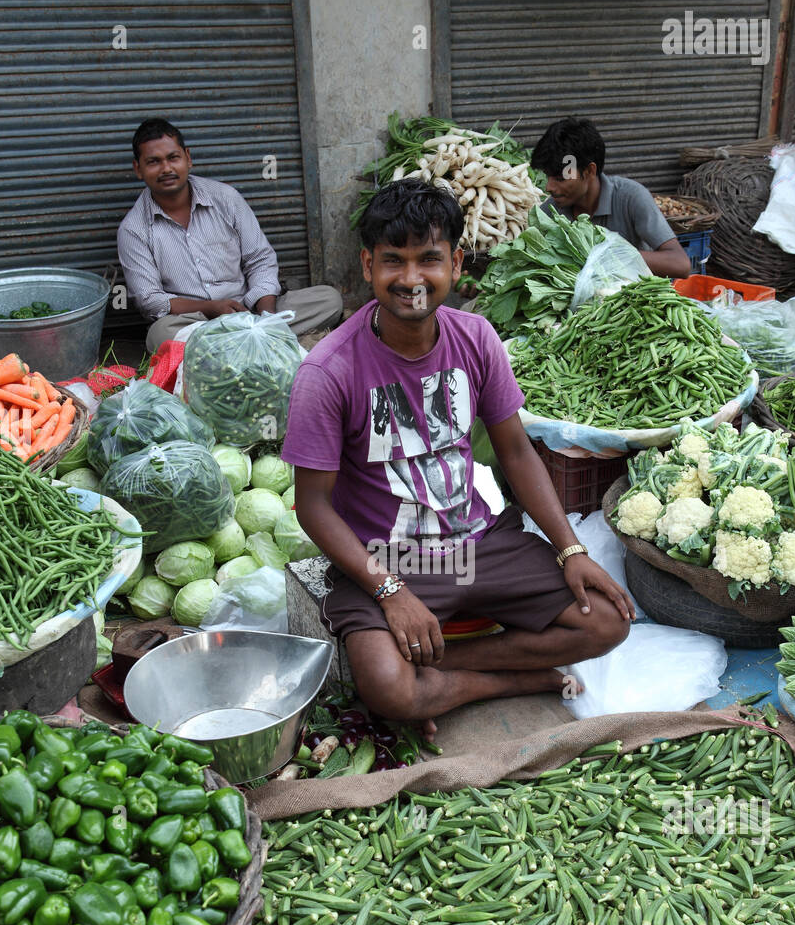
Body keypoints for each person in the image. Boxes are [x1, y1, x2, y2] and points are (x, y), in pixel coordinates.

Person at [280, 178, 634, 730]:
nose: (412, 279)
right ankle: (512, 678)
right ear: (368, 264)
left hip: (478, 546)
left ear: (457, 263)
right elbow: (313, 507)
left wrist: (570, 550)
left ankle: (439, 673)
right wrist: (390, 591)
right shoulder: (327, 372)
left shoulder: (476, 338)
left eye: (430, 259)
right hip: (386, 559)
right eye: (393, 261)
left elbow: (516, 453)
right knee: (388, 690)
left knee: (608, 621)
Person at [117, 118, 343, 353]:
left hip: (248, 308)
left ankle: (239, 345)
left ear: (188, 158)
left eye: (173, 158)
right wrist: (211, 308)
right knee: (159, 335)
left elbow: (260, 260)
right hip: (196, 322)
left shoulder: (226, 198)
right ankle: (249, 344)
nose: (166, 169)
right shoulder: (133, 229)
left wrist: (268, 319)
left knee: (328, 300)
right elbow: (150, 301)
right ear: (138, 169)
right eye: (153, 162)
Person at [531, 117, 691, 278]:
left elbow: (680, 264)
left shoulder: (630, 197)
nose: (548, 187)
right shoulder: (550, 212)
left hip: (633, 296)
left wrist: (611, 255)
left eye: (560, 179)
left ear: (589, 171)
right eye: (548, 177)